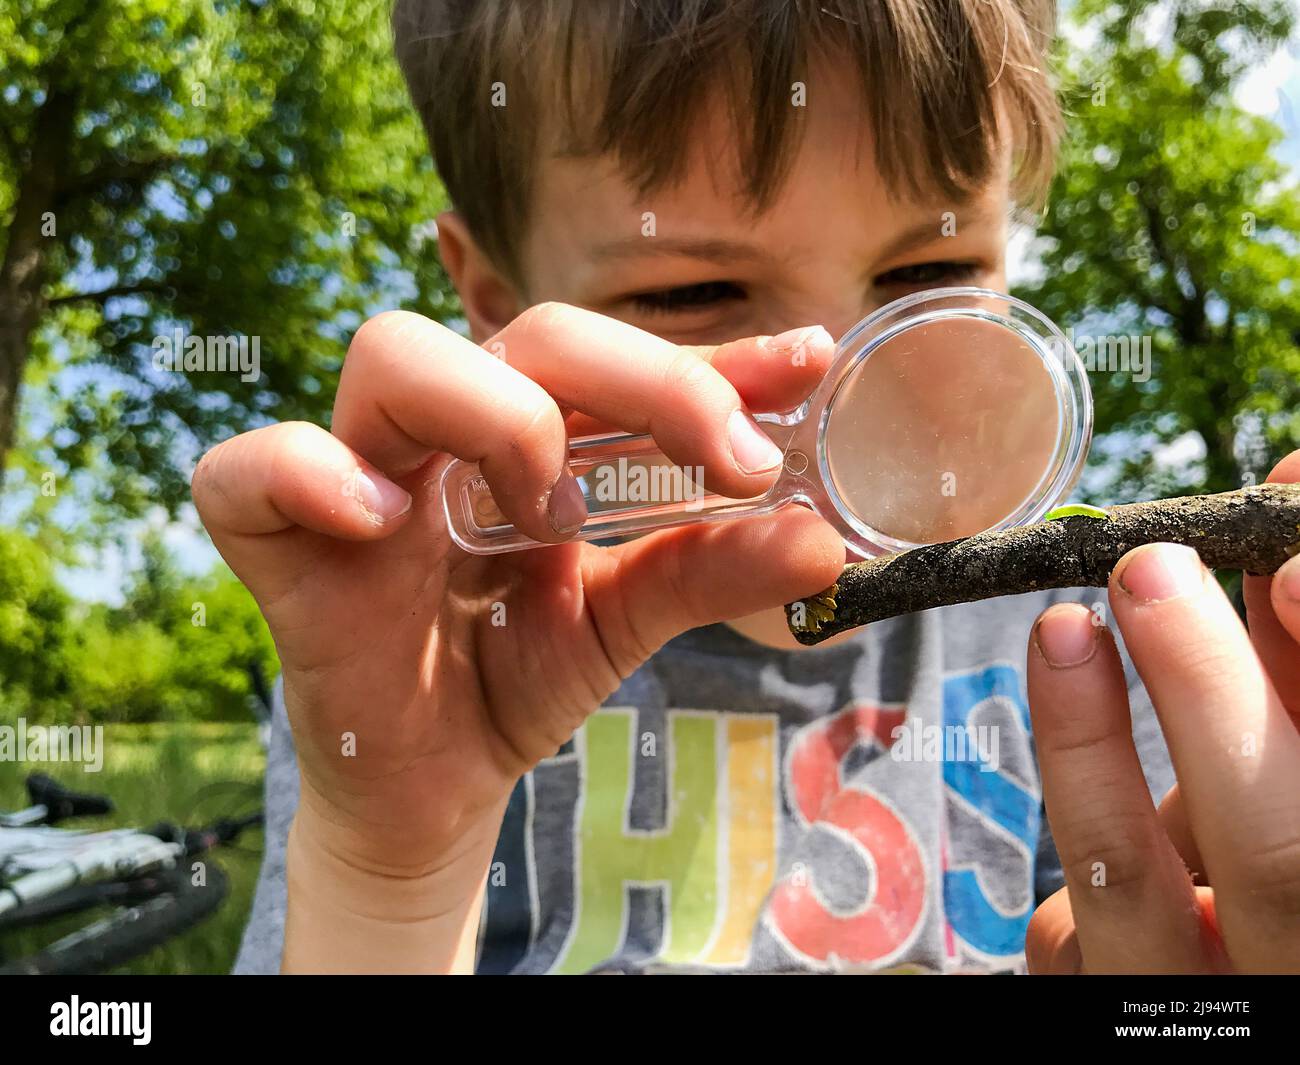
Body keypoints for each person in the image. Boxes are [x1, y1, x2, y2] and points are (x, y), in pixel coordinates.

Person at [197, 0, 1300, 974]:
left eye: (929, 275)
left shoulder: (1087, 650)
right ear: (489, 295)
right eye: (697, 289)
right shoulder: (421, 662)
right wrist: (390, 875)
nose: (846, 398)